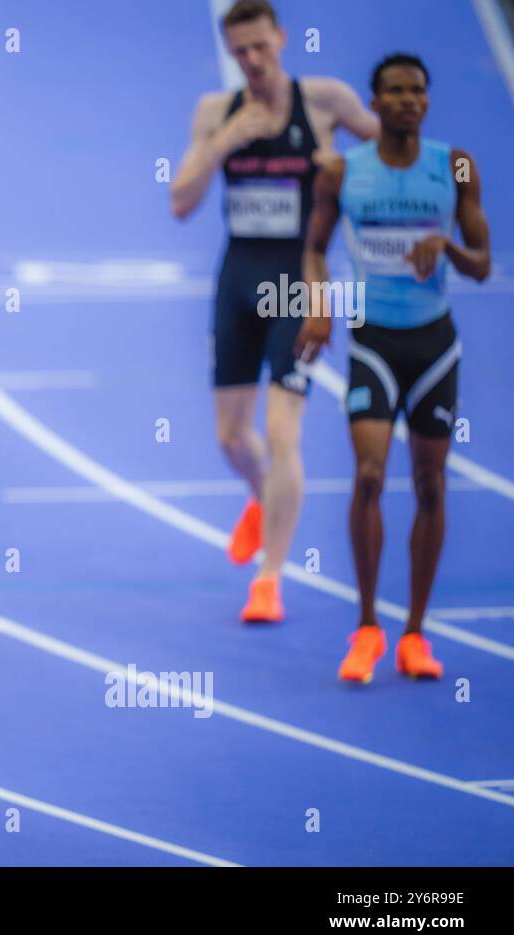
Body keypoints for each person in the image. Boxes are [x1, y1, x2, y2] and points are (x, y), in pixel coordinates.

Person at [171, 0, 378, 621]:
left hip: (298, 281)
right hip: (237, 280)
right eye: (241, 53)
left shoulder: (325, 101)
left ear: (282, 40)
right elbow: (181, 201)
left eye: (262, 48)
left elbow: (394, 150)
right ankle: (264, 501)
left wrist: (341, 170)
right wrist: (226, 142)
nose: (253, 62)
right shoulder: (216, 111)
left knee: (283, 432)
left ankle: (270, 578)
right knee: (232, 437)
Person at [297, 54, 490, 682]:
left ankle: (414, 634)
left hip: (434, 348)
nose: (409, 100)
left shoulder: (456, 165)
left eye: (418, 92)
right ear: (374, 105)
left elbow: (483, 264)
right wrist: (318, 309)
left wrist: (449, 248)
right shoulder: (340, 171)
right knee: (371, 475)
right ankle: (367, 627)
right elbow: (314, 251)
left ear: (428, 102)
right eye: (395, 92)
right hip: (373, 343)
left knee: (431, 486)